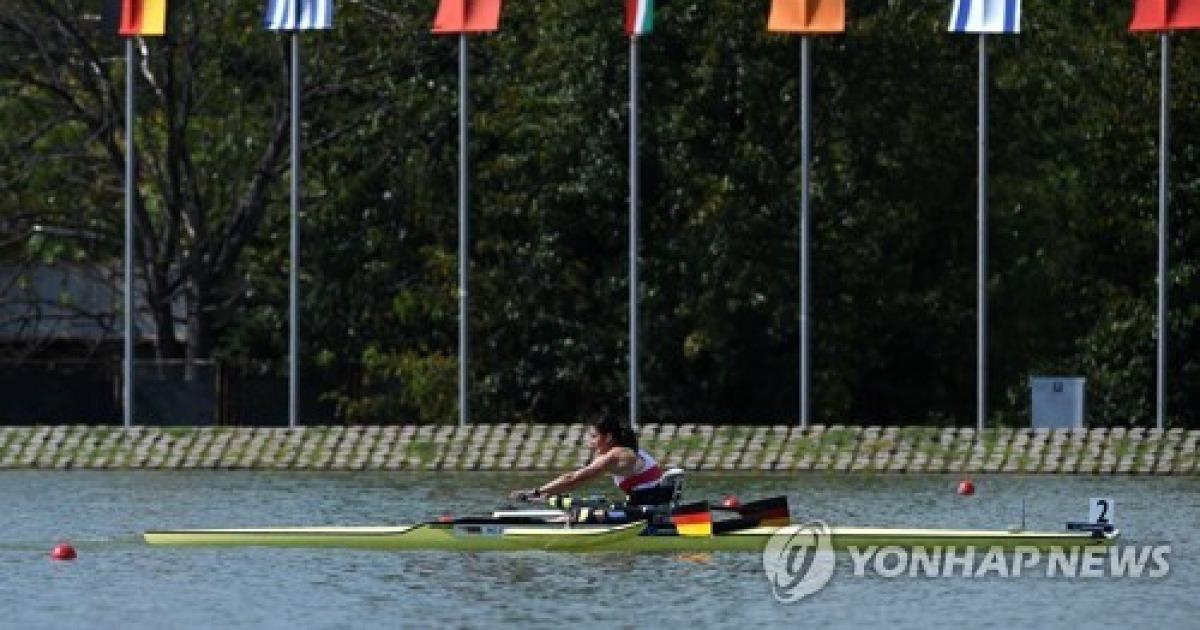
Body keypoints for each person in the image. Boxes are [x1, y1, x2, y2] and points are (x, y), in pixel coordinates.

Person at [509, 416, 663, 501]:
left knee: (581, 514)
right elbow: (579, 481)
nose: (590, 442)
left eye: (594, 437)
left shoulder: (615, 455)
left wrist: (535, 491)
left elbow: (572, 478)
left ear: (608, 437)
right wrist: (546, 495)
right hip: (653, 506)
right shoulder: (626, 452)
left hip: (649, 510)